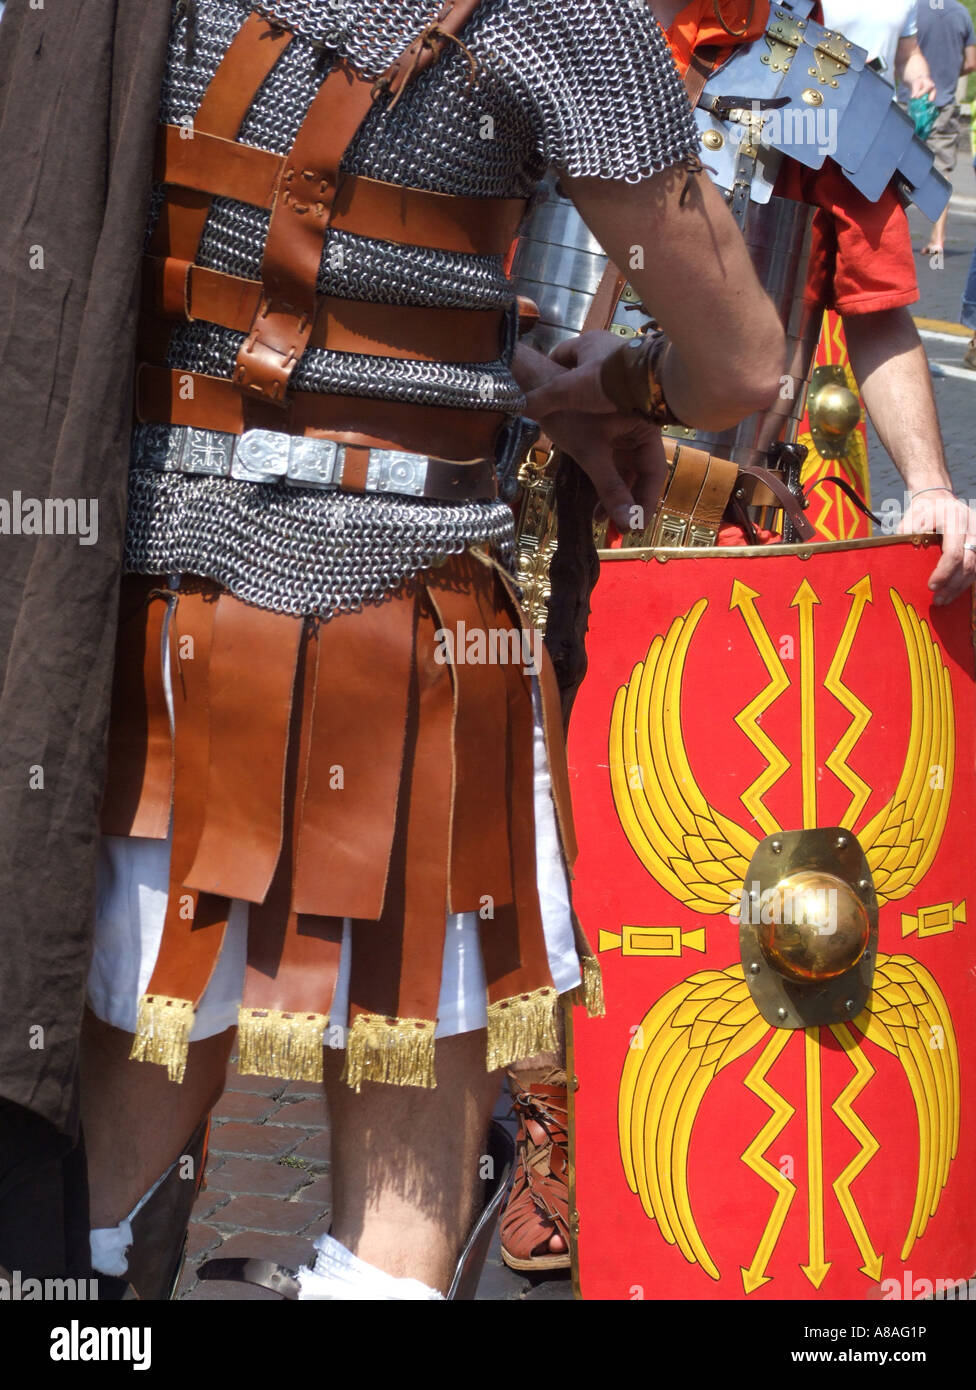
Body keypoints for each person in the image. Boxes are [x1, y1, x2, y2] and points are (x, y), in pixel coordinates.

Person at [0, 0, 786, 1299]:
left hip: (164, 630)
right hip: (415, 642)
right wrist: (608, 384)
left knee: (75, 1201)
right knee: (394, 1233)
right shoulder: (565, 21)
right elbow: (743, 361)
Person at [498, 0, 976, 1274]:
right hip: (518, 496)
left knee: (703, 854)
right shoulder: (540, 37)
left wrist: (926, 482)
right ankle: (553, 1127)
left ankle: (705, 1149)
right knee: (533, 839)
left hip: (709, 534)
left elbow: (871, 312)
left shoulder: (826, 89)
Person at [906, 0, 976, 255]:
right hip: (943, 103)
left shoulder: (910, 10)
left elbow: (898, 54)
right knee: (941, 171)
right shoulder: (961, 14)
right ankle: (938, 239)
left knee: (894, 169)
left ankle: (893, 235)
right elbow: (970, 62)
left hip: (909, 100)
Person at [821, 0, 935, 96]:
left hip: (880, 108)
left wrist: (920, 78)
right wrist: (844, 62)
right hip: (824, 102)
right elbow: (803, 42)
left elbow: (908, 55)